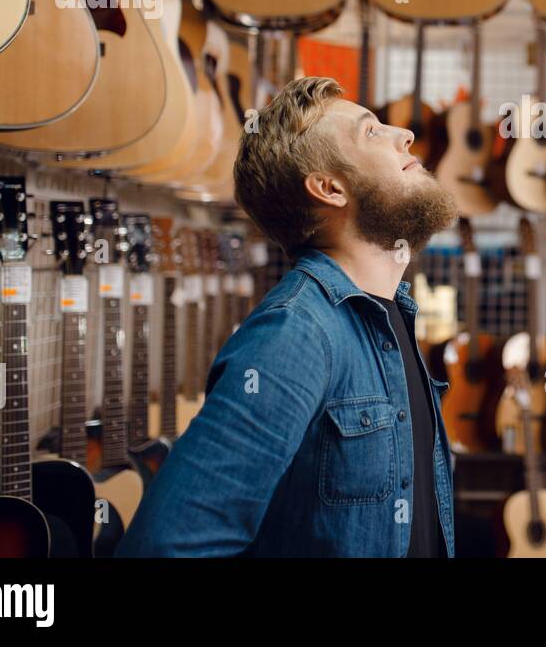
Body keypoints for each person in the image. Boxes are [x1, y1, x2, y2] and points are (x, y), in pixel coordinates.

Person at [117, 77, 459, 557]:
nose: (403, 134)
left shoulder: (389, 315)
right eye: (371, 132)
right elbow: (166, 546)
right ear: (329, 188)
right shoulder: (295, 334)